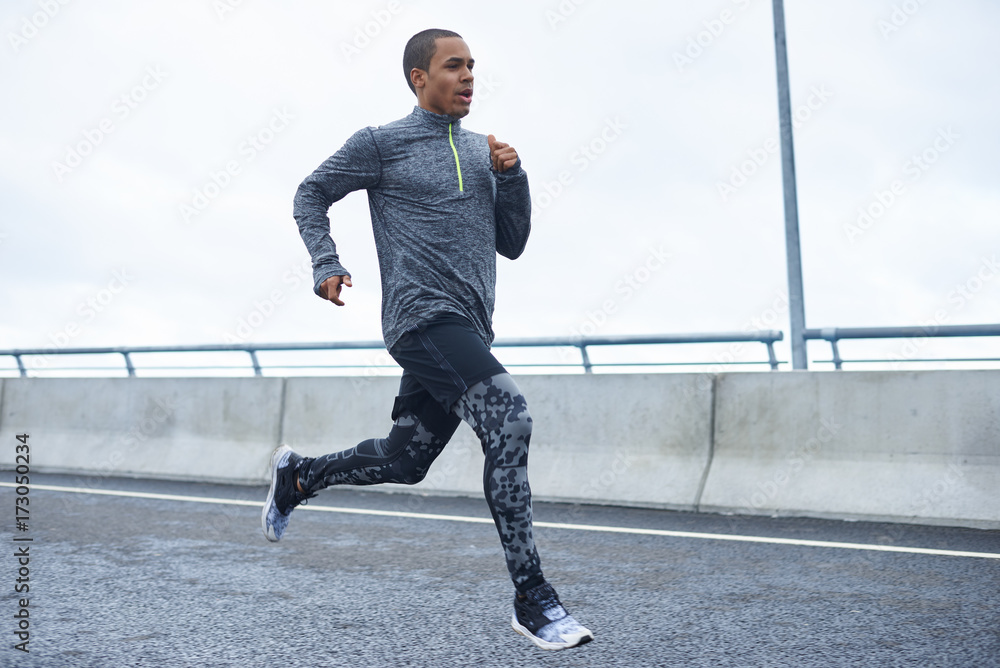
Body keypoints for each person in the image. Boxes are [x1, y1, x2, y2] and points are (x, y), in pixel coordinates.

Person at [261, 28, 593, 650]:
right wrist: (325, 261)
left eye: (472, 66)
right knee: (510, 420)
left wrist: (513, 177)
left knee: (405, 460)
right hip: (420, 320)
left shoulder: (482, 151)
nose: (468, 76)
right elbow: (310, 193)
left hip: (469, 328)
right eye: (453, 66)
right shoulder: (381, 144)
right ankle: (533, 599)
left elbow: (513, 243)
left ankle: (299, 476)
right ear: (419, 77)